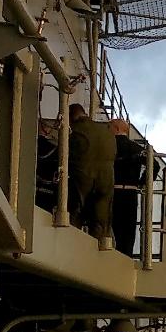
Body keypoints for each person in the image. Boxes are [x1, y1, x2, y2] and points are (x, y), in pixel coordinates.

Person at [67, 103, 116, 245]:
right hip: (106, 181)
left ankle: (72, 246)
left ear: (72, 117)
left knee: (75, 215)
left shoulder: (75, 131)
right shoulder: (107, 132)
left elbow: (66, 155)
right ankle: (101, 249)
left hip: (83, 178)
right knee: (101, 220)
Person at [111, 120, 161, 258]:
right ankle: (125, 258)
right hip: (130, 193)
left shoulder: (109, 146)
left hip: (111, 191)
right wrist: (142, 182)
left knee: (110, 227)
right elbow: (155, 165)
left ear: (115, 128)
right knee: (128, 230)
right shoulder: (136, 148)